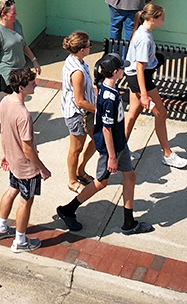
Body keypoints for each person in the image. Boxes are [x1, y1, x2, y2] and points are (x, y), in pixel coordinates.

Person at [55, 53, 153, 236]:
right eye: (122, 68)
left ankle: (129, 222)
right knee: (100, 182)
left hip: (119, 144)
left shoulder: (109, 90)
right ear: (116, 72)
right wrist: (112, 157)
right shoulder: (109, 98)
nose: (124, 70)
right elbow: (106, 129)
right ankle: (68, 210)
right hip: (113, 148)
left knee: (130, 177)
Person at [0, 67, 51, 253]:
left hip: (13, 161)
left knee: (12, 190)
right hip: (26, 167)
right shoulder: (24, 115)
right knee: (26, 200)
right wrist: (42, 168)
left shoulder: (4, 102)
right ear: (21, 87)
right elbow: (27, 148)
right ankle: (20, 241)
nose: (36, 83)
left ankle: (1, 228)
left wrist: (5, 153)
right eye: (32, 82)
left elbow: (4, 131)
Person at [124, 4, 187, 169]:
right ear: (152, 19)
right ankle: (167, 154)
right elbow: (139, 68)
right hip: (141, 79)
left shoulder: (142, 32)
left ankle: (120, 150)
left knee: (132, 113)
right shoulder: (144, 38)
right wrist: (144, 94)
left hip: (134, 78)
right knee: (161, 113)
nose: (164, 20)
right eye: (161, 17)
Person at [0, 0, 41, 136]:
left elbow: (23, 44)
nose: (16, 15)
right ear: (3, 15)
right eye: (13, 13)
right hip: (6, 73)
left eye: (15, 12)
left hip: (20, 69)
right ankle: (12, 128)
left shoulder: (16, 24)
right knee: (14, 100)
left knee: (8, 100)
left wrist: (34, 60)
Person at [61, 31, 96, 193]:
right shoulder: (77, 72)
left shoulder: (78, 61)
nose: (91, 47)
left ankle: (80, 170)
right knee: (76, 148)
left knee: (98, 139)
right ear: (82, 49)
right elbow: (79, 101)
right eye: (89, 46)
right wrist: (99, 109)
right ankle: (72, 180)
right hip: (78, 115)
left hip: (87, 112)